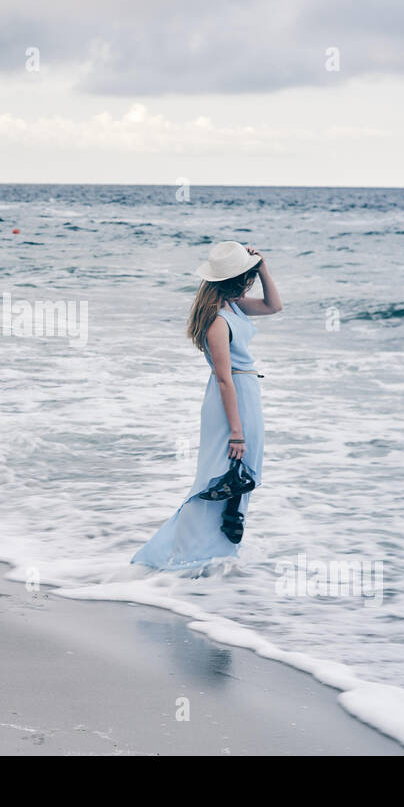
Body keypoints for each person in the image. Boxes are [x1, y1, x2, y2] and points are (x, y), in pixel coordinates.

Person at [131, 241, 283, 570]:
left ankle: (218, 553)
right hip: (232, 401)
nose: (250, 279)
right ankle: (186, 555)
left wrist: (265, 269)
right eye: (248, 275)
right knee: (217, 475)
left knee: (242, 475)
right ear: (238, 279)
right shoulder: (218, 321)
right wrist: (237, 433)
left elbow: (274, 306)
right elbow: (225, 380)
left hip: (246, 395)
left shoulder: (235, 307)